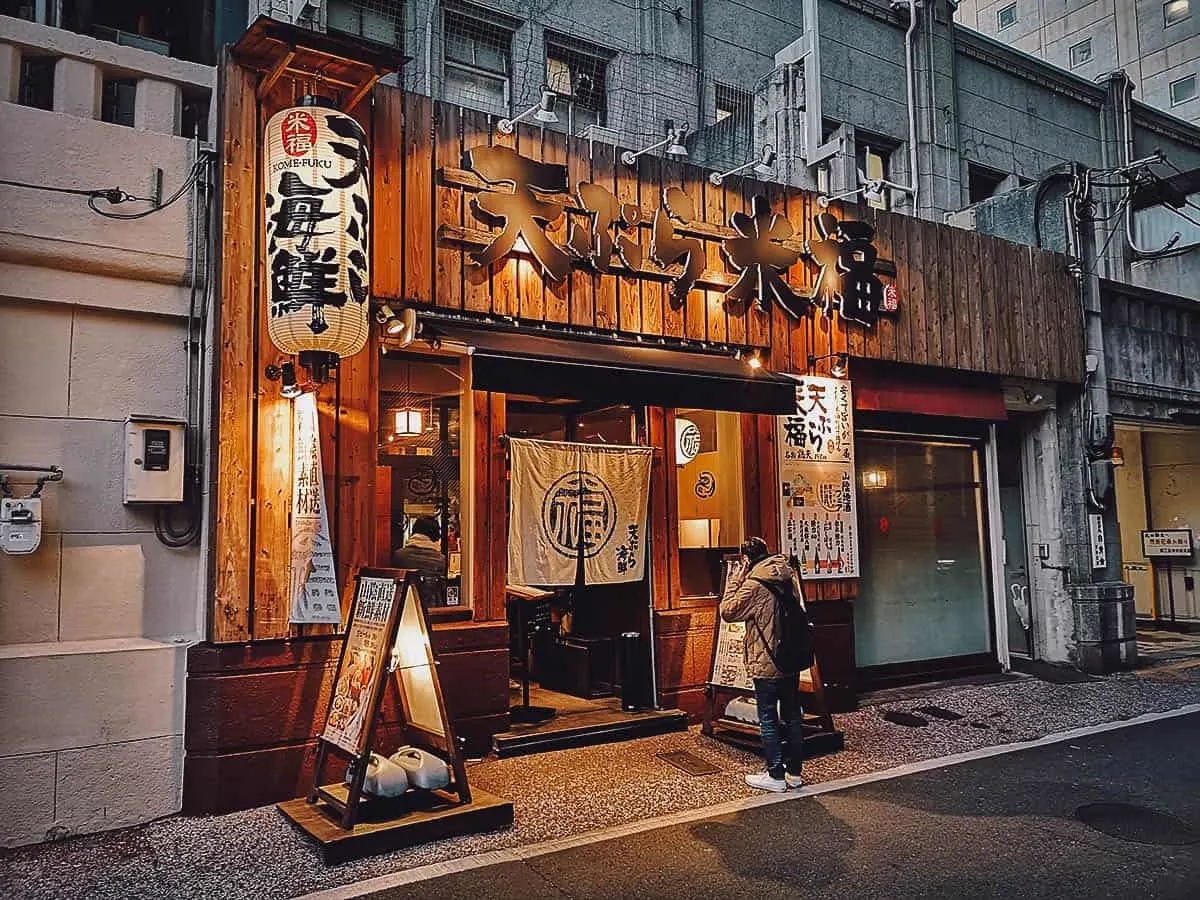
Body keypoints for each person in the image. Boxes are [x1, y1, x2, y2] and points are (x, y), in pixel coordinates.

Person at [719, 536, 807, 792]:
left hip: (766, 659)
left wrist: (736, 578)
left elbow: (728, 611)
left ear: (746, 559)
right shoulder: (787, 574)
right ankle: (795, 774)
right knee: (791, 716)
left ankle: (775, 775)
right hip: (790, 657)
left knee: (767, 716)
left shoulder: (754, 584)